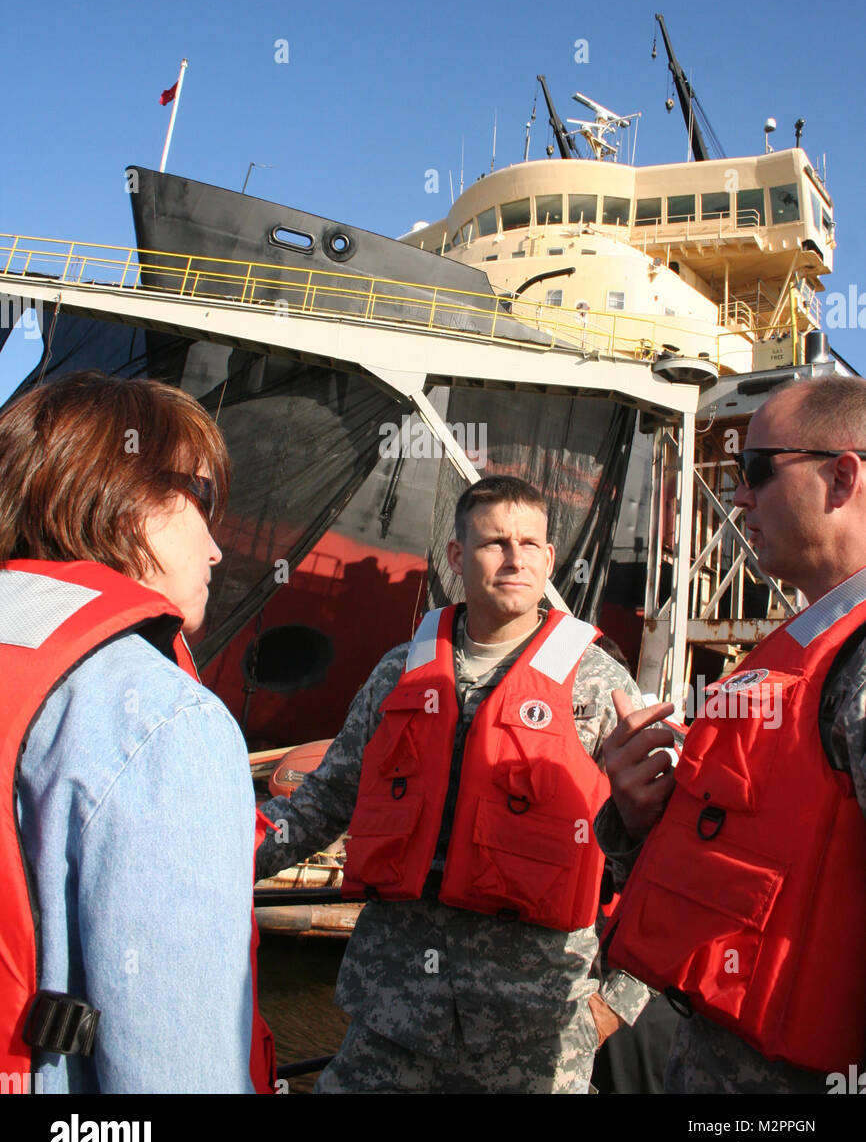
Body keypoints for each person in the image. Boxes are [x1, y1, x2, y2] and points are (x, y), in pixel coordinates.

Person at [257, 474, 648, 1093]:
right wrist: (217, 865)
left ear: (550, 557)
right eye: (495, 543)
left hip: (534, 1033)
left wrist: (618, 1003)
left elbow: (657, 855)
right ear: (458, 557)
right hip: (393, 1018)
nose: (515, 559)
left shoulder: (599, 686)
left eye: (530, 544)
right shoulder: (399, 675)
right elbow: (323, 802)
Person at [0, 371, 274, 1094]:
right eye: (205, 500)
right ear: (122, 495)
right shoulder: (161, 720)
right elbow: (176, 1073)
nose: (217, 549)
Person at [599, 374, 866, 1093]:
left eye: (754, 470)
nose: (739, 496)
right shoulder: (805, 645)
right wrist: (636, 819)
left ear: (841, 477)